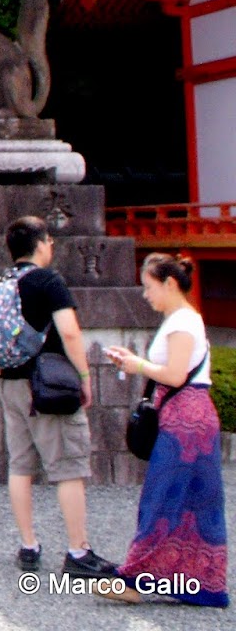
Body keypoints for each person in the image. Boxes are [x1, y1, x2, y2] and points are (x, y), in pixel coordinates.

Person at [103, 253, 227, 606]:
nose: (146, 295)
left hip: (185, 420)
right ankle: (201, 583)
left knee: (163, 497)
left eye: (149, 287)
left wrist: (136, 363)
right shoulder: (183, 320)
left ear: (169, 283)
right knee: (191, 501)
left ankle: (134, 579)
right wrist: (135, 362)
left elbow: (173, 375)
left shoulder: (182, 323)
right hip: (189, 416)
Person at [0, 216, 114, 581]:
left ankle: (28, 545)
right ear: (41, 243)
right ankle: (78, 551)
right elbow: (70, 333)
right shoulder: (48, 281)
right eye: (49, 240)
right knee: (68, 467)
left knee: (20, 464)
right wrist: (84, 377)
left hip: (10, 384)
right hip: (48, 386)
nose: (52, 246)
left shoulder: (2, 282)